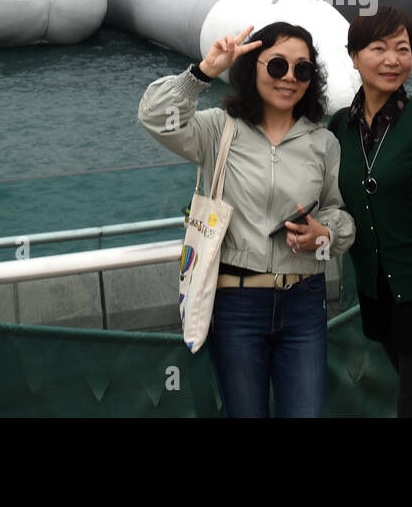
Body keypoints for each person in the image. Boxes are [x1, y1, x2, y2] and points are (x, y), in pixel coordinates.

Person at [139, 21, 355, 418]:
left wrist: (324, 234)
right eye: (277, 66)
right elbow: (155, 117)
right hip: (235, 302)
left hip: (304, 300)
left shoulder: (323, 142)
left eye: (302, 69)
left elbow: (339, 213)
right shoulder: (218, 129)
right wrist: (202, 72)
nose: (289, 77)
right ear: (253, 66)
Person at [327, 5, 412, 418]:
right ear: (353, 56)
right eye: (378, 48)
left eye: (403, 49)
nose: (392, 60)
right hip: (376, 291)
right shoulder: (338, 127)